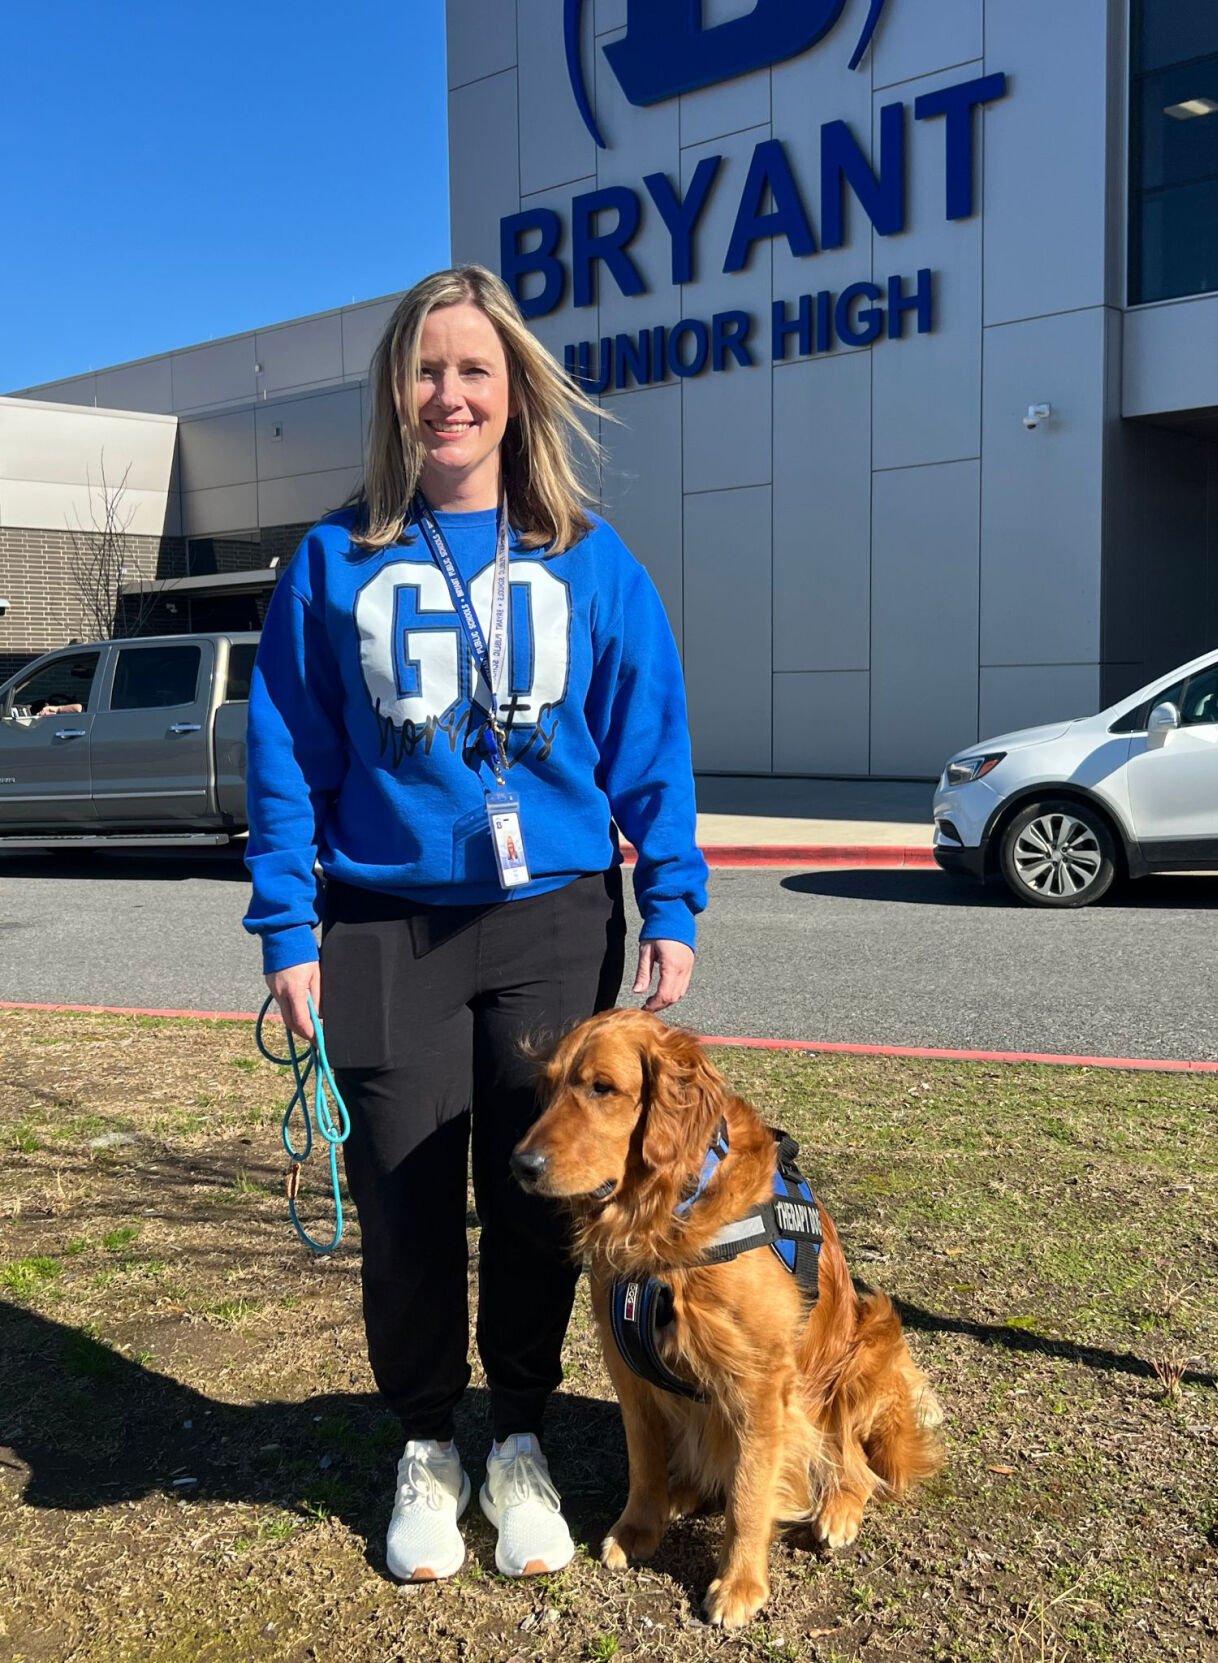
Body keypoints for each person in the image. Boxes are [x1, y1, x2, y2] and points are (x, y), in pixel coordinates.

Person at [243, 265, 707, 1585]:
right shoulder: (338, 557)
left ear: (514, 396)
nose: (449, 393)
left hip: (553, 922)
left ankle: (518, 1439)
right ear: (397, 390)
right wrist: (288, 929)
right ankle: (427, 1446)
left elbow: (651, 736)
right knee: (402, 1202)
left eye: (475, 371)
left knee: (538, 1194)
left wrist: (669, 895)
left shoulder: (586, 557)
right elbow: (287, 750)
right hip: (382, 924)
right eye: (427, 368)